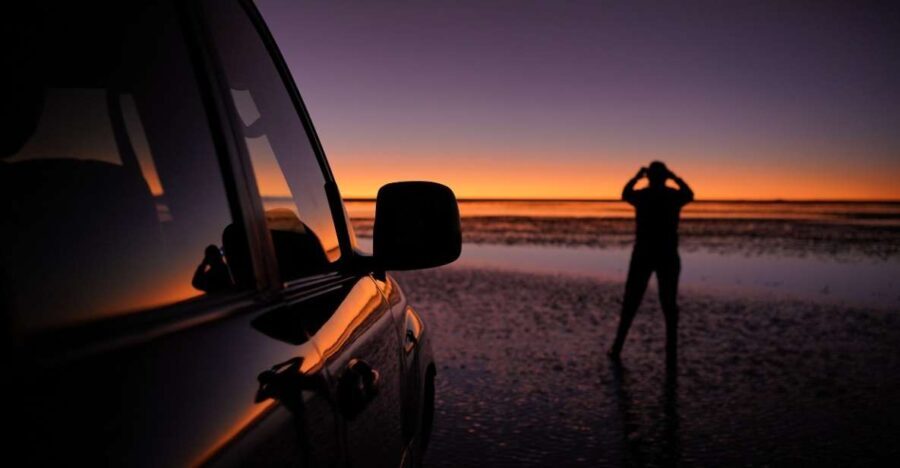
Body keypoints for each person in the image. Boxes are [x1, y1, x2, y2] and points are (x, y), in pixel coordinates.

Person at [608, 161, 693, 368]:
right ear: (664, 176)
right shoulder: (672, 196)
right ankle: (670, 353)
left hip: (645, 254)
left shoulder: (643, 197)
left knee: (632, 301)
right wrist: (675, 177)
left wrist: (637, 177)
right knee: (668, 304)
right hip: (666, 254)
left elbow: (625, 193)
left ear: (649, 177)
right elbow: (689, 194)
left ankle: (618, 346)